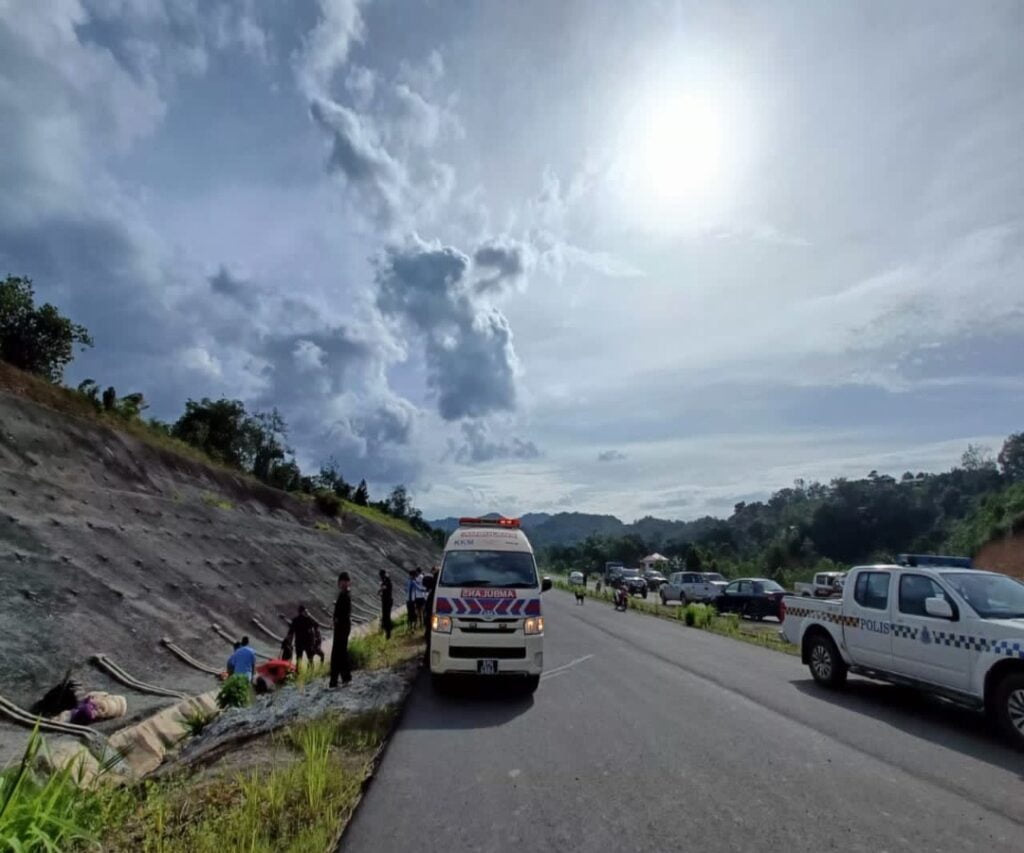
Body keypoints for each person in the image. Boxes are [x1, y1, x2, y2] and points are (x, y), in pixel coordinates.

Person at [330, 572, 352, 688]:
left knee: (338, 653)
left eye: (343, 581)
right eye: (340, 581)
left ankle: (337, 680)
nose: (341, 583)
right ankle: (343, 678)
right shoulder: (343, 594)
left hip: (342, 627)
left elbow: (343, 614)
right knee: (341, 652)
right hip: (342, 626)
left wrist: (336, 620)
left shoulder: (345, 595)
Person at [422, 573, 436, 665]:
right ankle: (427, 659)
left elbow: (430, 609)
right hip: (430, 621)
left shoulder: (433, 594)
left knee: (430, 640)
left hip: (430, 621)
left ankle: (427, 661)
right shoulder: (434, 591)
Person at [379, 569, 394, 639]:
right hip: (385, 601)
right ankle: (386, 632)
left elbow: (383, 588)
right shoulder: (385, 581)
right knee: (385, 617)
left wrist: (380, 590)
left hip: (387, 602)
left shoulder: (387, 582)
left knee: (387, 617)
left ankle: (388, 634)